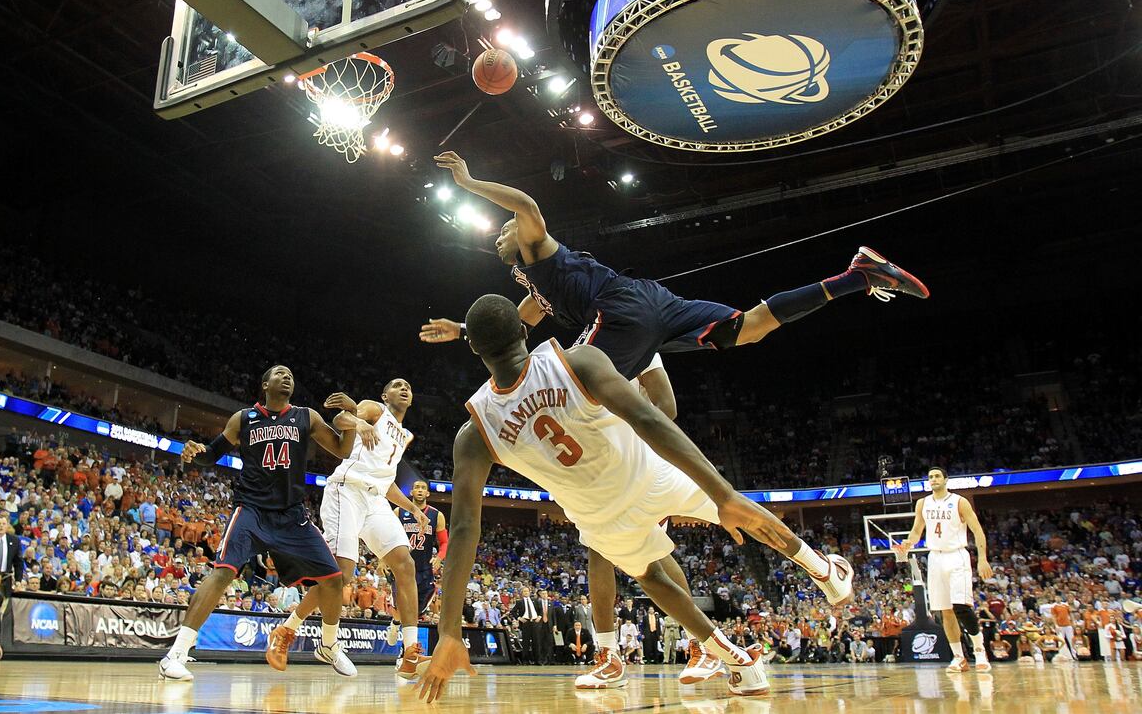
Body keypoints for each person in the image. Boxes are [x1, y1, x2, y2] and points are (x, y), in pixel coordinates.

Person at [417, 294, 854, 702]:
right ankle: (822, 569)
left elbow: (463, 531)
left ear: (472, 347)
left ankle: (731, 658)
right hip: (648, 473)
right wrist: (720, 491)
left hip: (601, 518)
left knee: (652, 578)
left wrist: (450, 630)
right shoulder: (578, 360)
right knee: (736, 509)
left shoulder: (473, 433)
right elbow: (650, 416)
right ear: (523, 329)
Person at [420, 152, 928, 384]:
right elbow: (521, 322)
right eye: (503, 233)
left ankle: (646, 482)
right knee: (749, 330)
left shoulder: (536, 251)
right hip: (648, 305)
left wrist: (470, 182)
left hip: (620, 311)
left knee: (577, 388)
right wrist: (467, 329)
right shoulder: (534, 284)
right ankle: (857, 276)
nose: (504, 228)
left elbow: (526, 206)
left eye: (505, 228)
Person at [157, 365, 362, 681]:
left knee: (334, 579)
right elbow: (211, 455)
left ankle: (330, 646)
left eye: (291, 374)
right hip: (251, 510)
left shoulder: (307, 417)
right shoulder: (243, 419)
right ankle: (177, 654)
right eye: (280, 373)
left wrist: (350, 411)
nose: (288, 376)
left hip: (292, 516)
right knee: (223, 573)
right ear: (265, 383)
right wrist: (195, 452)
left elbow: (342, 450)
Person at [278, 378, 432, 681]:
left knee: (406, 563)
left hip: (375, 500)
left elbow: (387, 483)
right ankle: (289, 628)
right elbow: (341, 418)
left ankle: (411, 651)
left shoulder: (405, 435)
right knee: (341, 575)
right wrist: (358, 425)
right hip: (347, 491)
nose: (404, 389)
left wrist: (413, 509)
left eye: (408, 387)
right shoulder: (375, 409)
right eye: (396, 385)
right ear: (384, 394)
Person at [894, 467, 993, 673]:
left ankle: (980, 651)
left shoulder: (959, 501)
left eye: (937, 476)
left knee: (961, 607)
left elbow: (977, 529)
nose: (934, 479)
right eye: (930, 477)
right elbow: (916, 531)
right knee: (945, 612)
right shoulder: (922, 503)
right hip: (935, 557)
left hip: (957, 555)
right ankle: (959, 658)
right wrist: (907, 544)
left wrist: (982, 559)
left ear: (946, 480)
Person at [398, 479, 448, 618]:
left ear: (427, 493)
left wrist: (439, 557)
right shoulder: (399, 512)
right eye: (417, 487)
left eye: (423, 488)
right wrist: (384, 560)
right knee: (399, 607)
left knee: (418, 611)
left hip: (424, 567)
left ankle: (408, 635)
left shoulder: (436, 515)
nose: (420, 490)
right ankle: (396, 623)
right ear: (411, 491)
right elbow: (388, 538)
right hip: (402, 565)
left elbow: (444, 542)